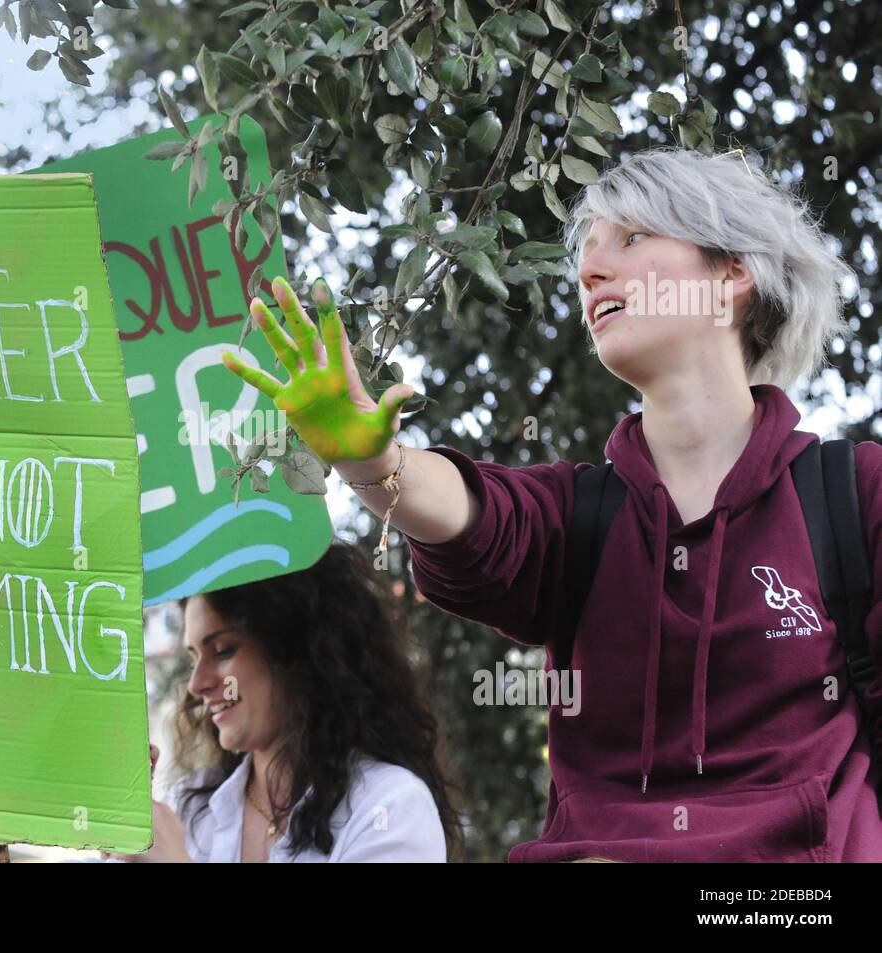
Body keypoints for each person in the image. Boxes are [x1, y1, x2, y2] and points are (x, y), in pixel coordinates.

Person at [221, 147, 882, 862]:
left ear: (732, 275)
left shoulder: (855, 496)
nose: (592, 270)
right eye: (588, 250)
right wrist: (378, 464)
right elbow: (482, 517)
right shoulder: (579, 515)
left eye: (632, 238)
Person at [115, 540, 461, 862]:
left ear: (298, 650)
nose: (197, 684)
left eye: (223, 651)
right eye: (193, 657)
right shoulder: (190, 806)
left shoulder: (389, 806)